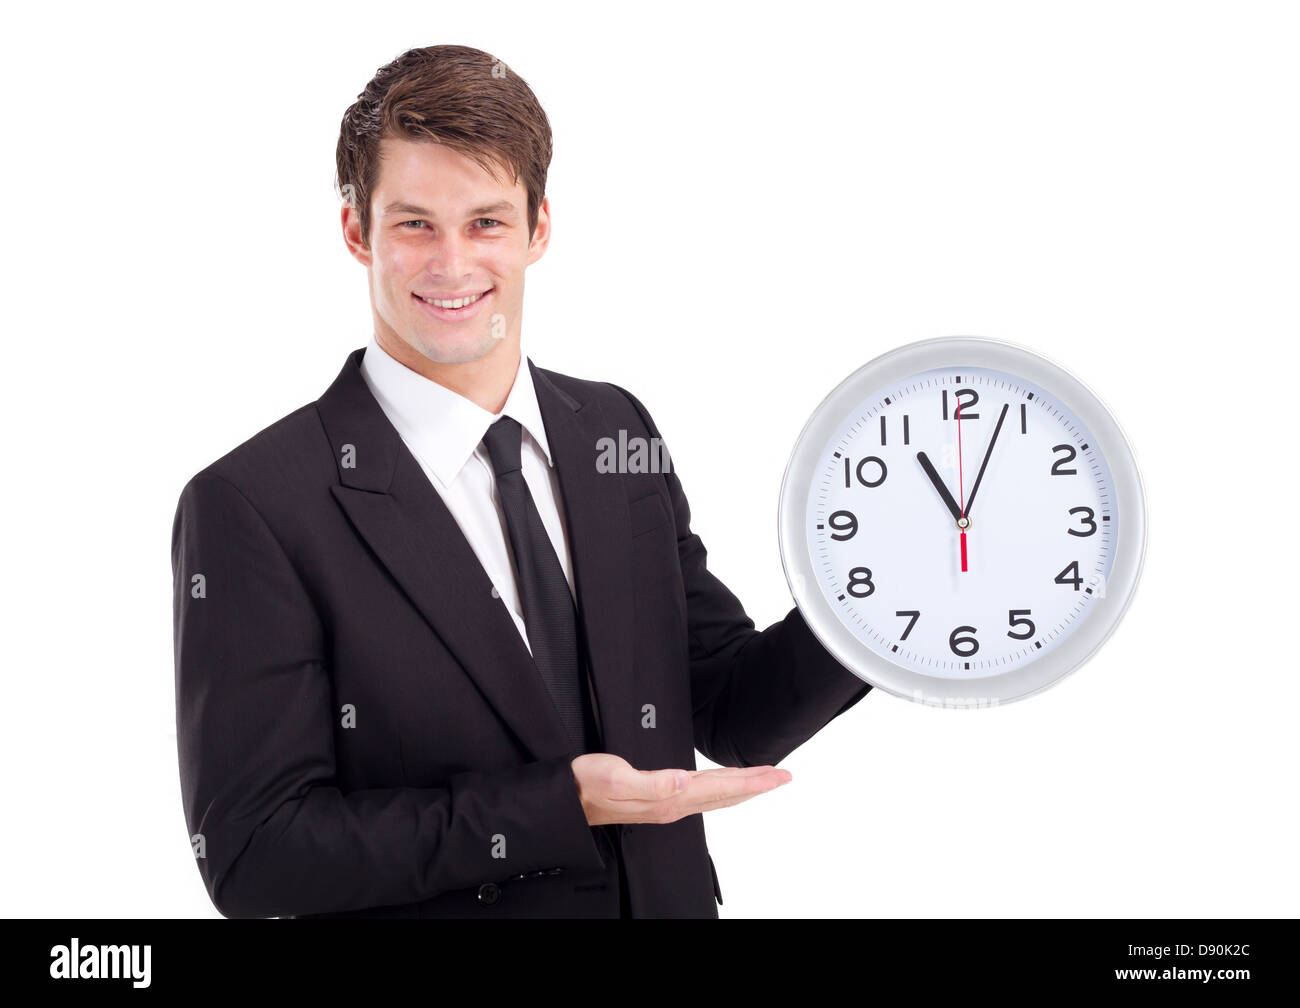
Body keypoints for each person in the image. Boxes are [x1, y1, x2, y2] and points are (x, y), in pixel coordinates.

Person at [171, 43, 871, 919]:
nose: (453, 265)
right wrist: (558, 806)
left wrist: (873, 607)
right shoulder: (256, 504)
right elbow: (256, 858)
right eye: (414, 223)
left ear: (540, 228)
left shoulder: (615, 430)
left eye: (487, 223)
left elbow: (728, 705)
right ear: (358, 231)